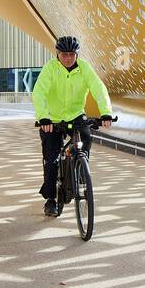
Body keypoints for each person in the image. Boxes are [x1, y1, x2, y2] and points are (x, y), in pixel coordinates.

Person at [32, 36, 114, 216]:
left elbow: (98, 88)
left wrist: (105, 112)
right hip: (52, 119)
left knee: (86, 138)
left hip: (76, 115)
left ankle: (81, 168)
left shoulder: (84, 67)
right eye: (64, 54)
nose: (68, 58)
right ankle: (51, 200)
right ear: (58, 54)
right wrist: (43, 117)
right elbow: (39, 93)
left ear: (76, 54)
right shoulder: (50, 68)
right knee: (51, 159)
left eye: (71, 54)